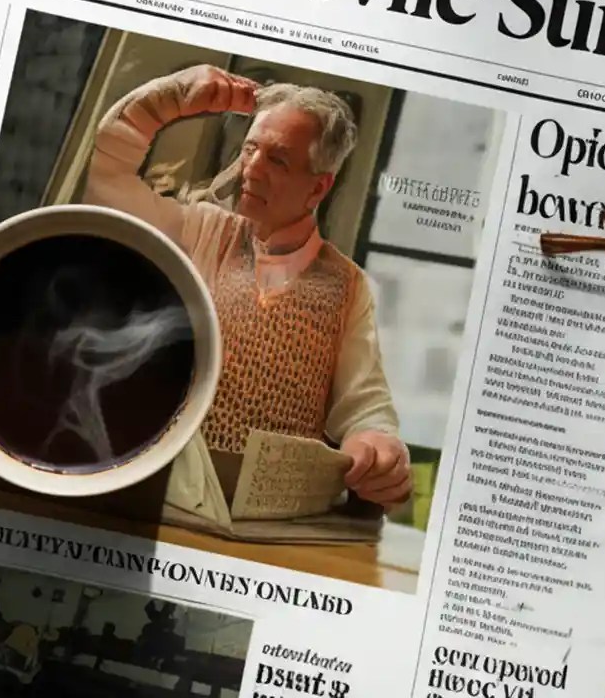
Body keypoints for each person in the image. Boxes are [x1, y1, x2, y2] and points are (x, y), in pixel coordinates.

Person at [84, 63, 411, 509]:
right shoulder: (196, 230)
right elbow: (108, 179)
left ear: (318, 188)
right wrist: (165, 97)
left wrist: (377, 446)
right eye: (250, 149)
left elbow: (364, 406)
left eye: (276, 159)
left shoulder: (348, 285)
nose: (249, 169)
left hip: (273, 523)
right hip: (162, 496)